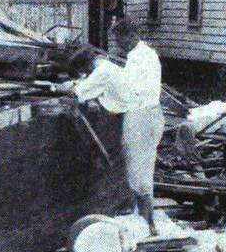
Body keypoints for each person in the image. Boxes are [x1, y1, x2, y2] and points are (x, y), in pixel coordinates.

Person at [61, 20, 164, 235]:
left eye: (120, 39)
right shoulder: (143, 55)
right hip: (149, 113)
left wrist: (68, 87)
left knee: (138, 173)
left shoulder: (108, 69)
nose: (119, 45)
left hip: (141, 116)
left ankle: (149, 225)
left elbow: (79, 92)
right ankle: (145, 219)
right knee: (142, 170)